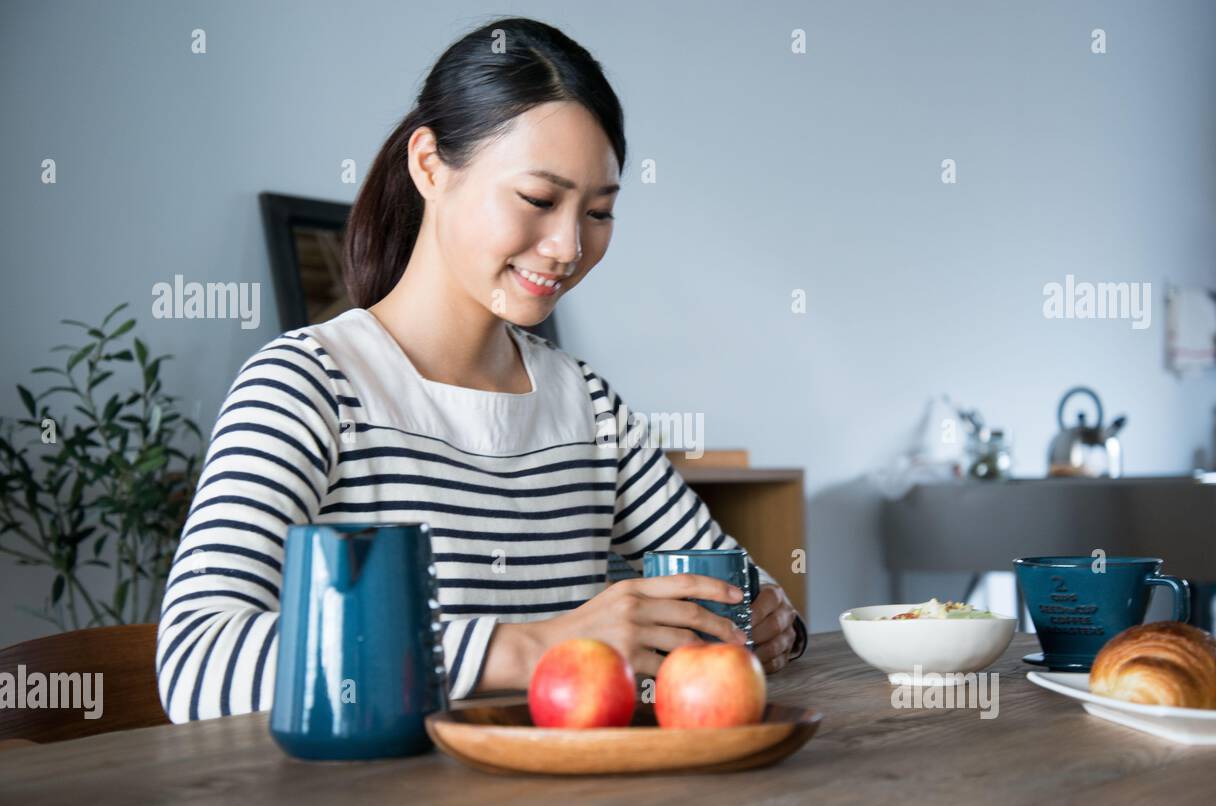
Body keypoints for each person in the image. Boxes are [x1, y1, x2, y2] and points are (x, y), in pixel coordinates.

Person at [155, 16, 806, 724]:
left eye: (597, 212)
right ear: (430, 165)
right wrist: (530, 648)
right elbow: (195, 662)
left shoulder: (585, 405)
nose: (565, 246)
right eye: (537, 199)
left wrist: (769, 622)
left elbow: (741, 586)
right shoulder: (307, 387)